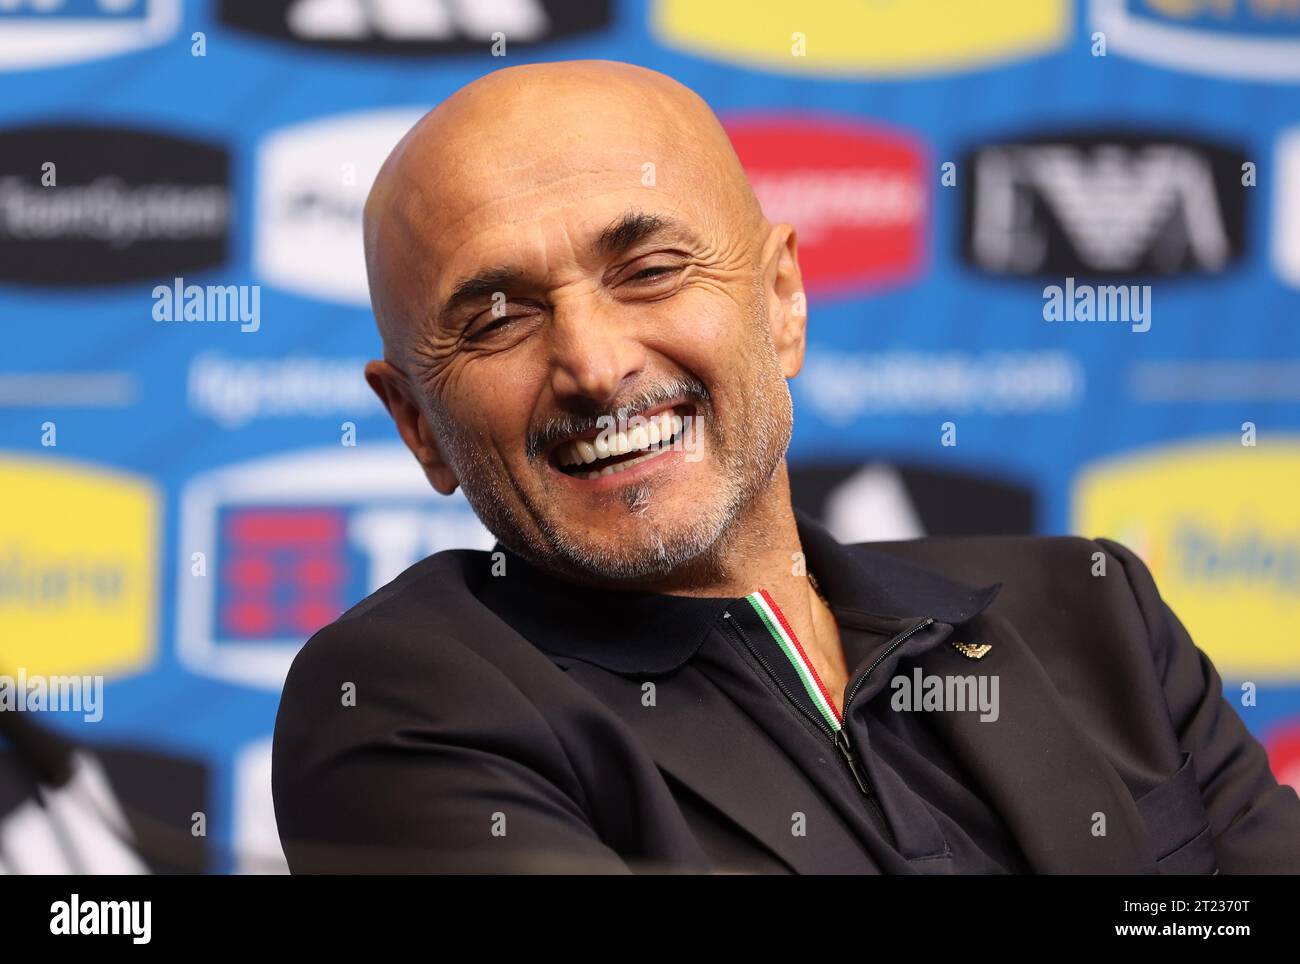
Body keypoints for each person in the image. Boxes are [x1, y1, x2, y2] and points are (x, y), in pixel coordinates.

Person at [271, 60, 1300, 874]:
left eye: (650, 269)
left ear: (781, 301)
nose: (592, 363)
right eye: (497, 317)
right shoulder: (402, 698)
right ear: (414, 422)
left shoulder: (1089, 610)